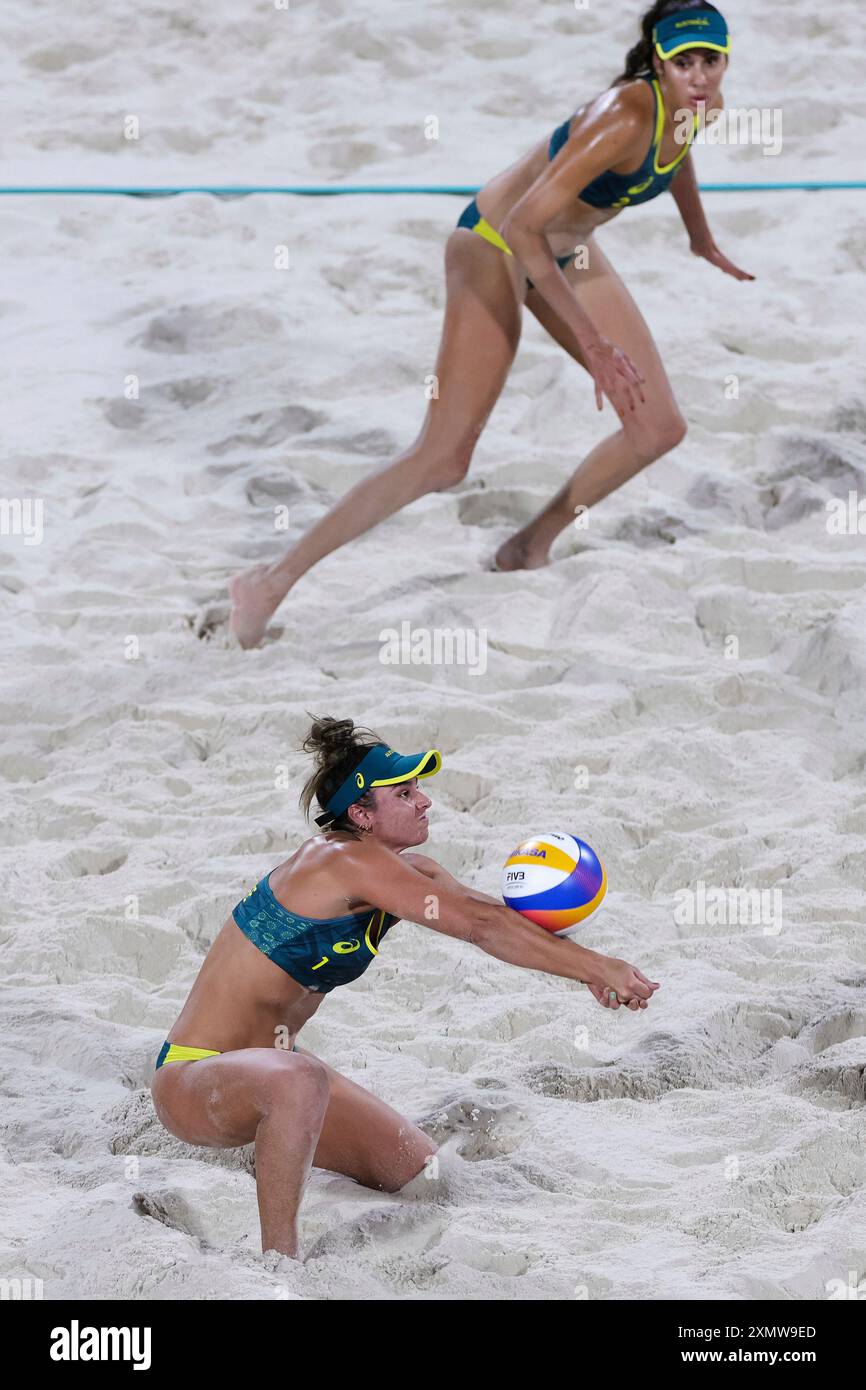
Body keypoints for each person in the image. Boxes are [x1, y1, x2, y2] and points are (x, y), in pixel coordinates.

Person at [229, 2, 753, 648]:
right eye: (683, 63)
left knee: (658, 427)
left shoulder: (700, 105)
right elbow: (522, 226)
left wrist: (700, 237)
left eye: (711, 60)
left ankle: (526, 547)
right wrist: (594, 342)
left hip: (568, 250)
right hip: (495, 245)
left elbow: (677, 157)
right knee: (442, 457)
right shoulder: (619, 118)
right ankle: (269, 582)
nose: (699, 76)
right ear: (656, 62)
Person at [151, 716, 660, 1258]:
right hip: (194, 1076)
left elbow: (489, 917)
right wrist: (595, 966)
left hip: (270, 1068)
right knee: (300, 1077)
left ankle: (284, 1139)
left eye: (418, 788)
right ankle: (279, 1266)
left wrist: (589, 966)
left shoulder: (406, 871)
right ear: (361, 814)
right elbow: (482, 927)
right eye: (404, 792)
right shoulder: (338, 861)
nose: (424, 801)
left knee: (422, 1173)